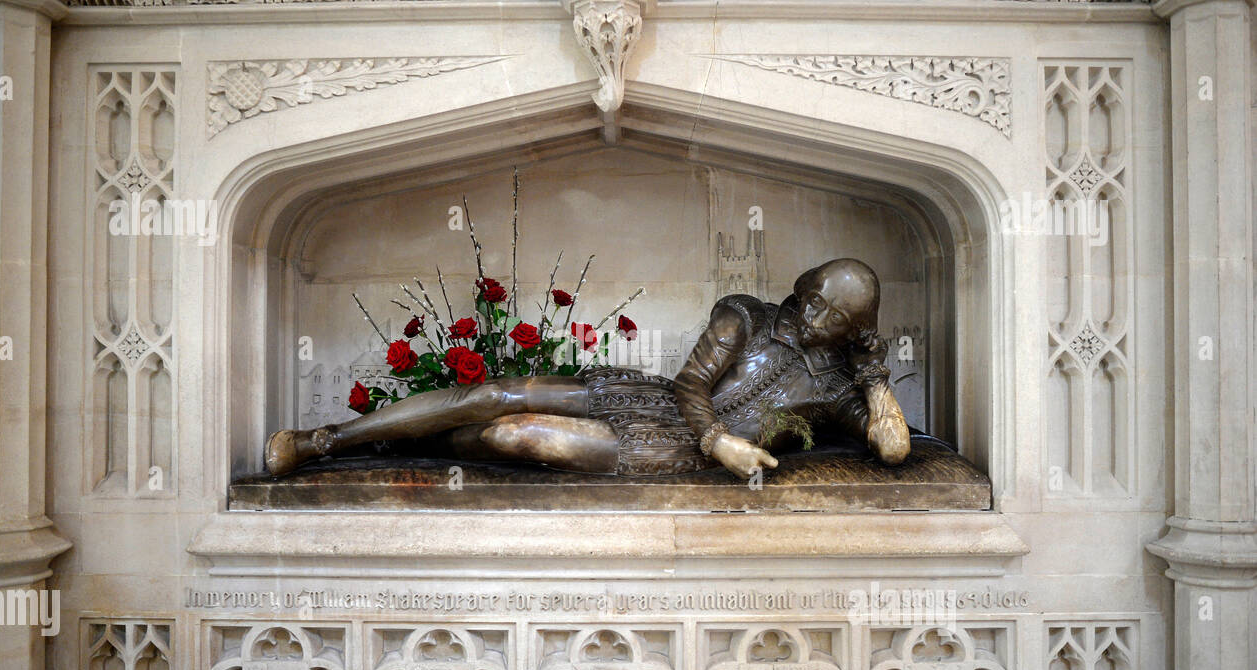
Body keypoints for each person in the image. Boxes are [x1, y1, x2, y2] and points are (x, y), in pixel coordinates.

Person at [264, 258, 910, 479]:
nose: (813, 310)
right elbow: (690, 384)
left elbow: (892, 447)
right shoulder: (747, 315)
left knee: (511, 435)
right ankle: (329, 440)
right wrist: (723, 442)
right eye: (815, 292)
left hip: (663, 452)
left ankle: (395, 442)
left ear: (852, 327)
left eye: (834, 312)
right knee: (495, 392)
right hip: (653, 405)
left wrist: (873, 371)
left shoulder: (833, 391)